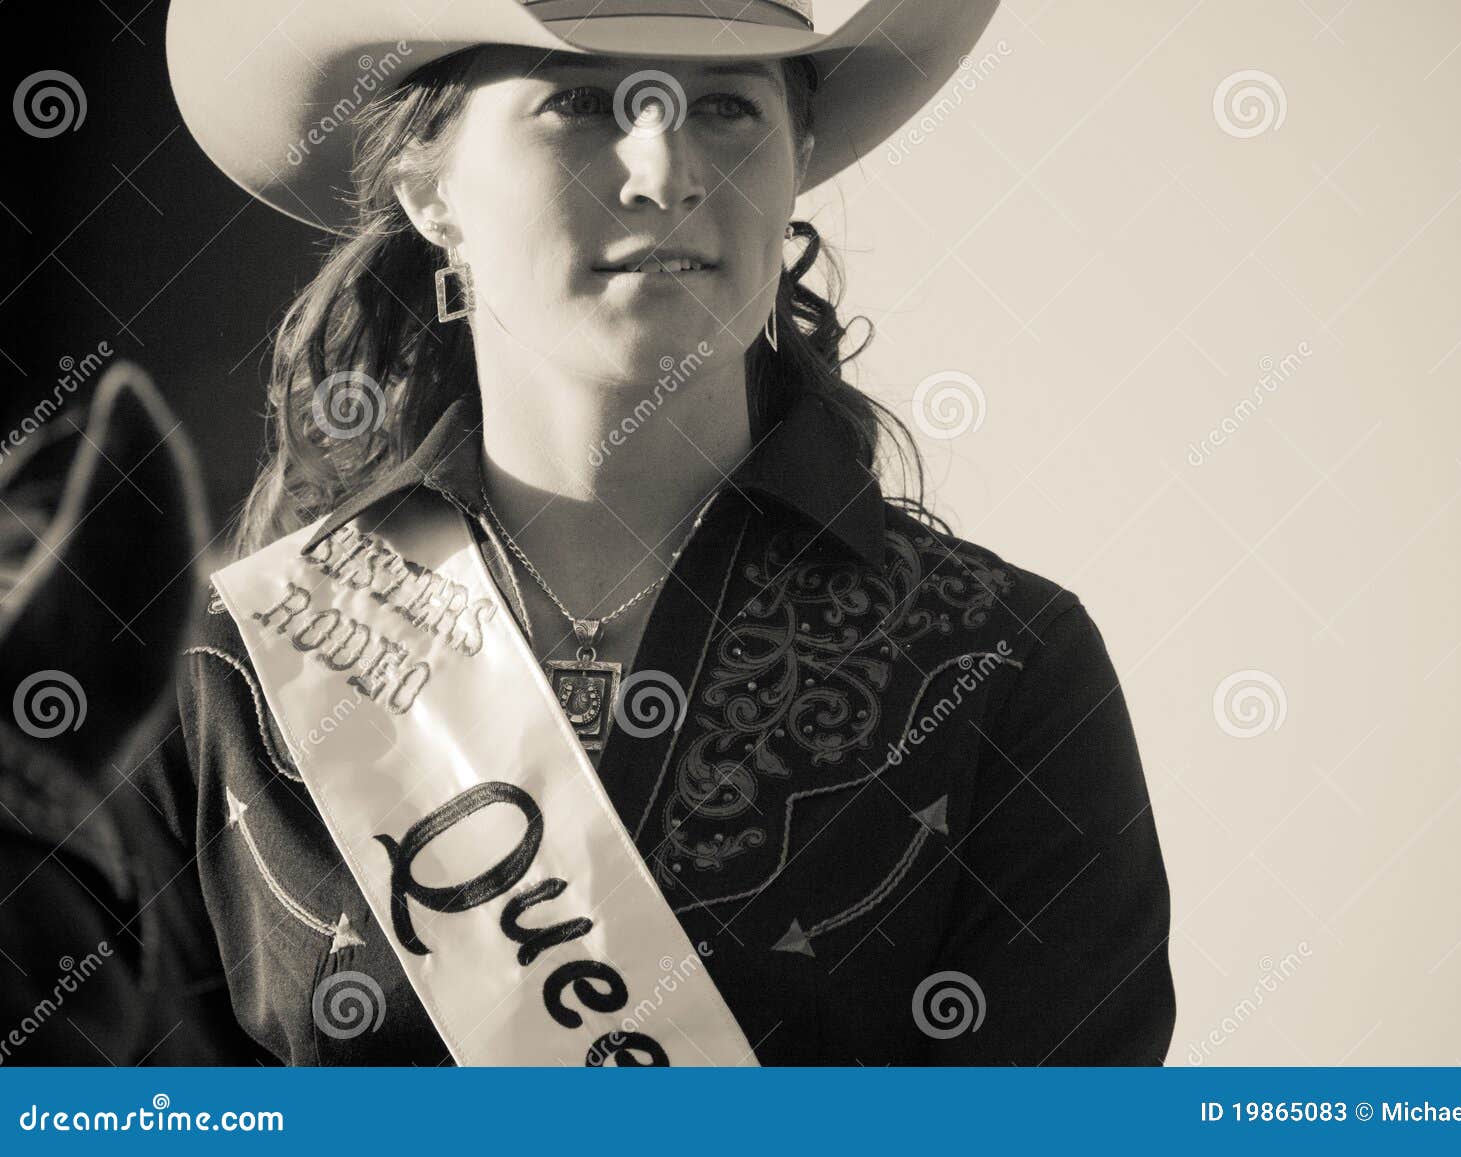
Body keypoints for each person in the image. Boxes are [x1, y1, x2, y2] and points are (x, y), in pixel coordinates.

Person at [139, 0, 1177, 1065]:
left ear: (798, 163)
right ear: (430, 190)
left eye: (726, 106)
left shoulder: (1001, 664)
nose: (665, 170)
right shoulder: (227, 674)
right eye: (581, 105)